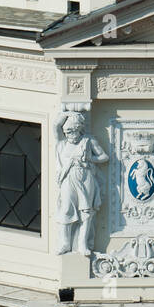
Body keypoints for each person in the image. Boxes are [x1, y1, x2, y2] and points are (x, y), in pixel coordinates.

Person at [54, 108, 108, 256]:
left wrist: (90, 159)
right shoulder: (62, 143)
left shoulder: (88, 141)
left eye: (72, 131)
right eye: (67, 132)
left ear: (79, 129)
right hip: (69, 178)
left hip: (85, 177)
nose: (70, 135)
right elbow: (55, 126)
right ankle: (65, 243)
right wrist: (69, 113)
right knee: (66, 209)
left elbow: (104, 157)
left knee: (86, 212)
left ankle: (82, 244)